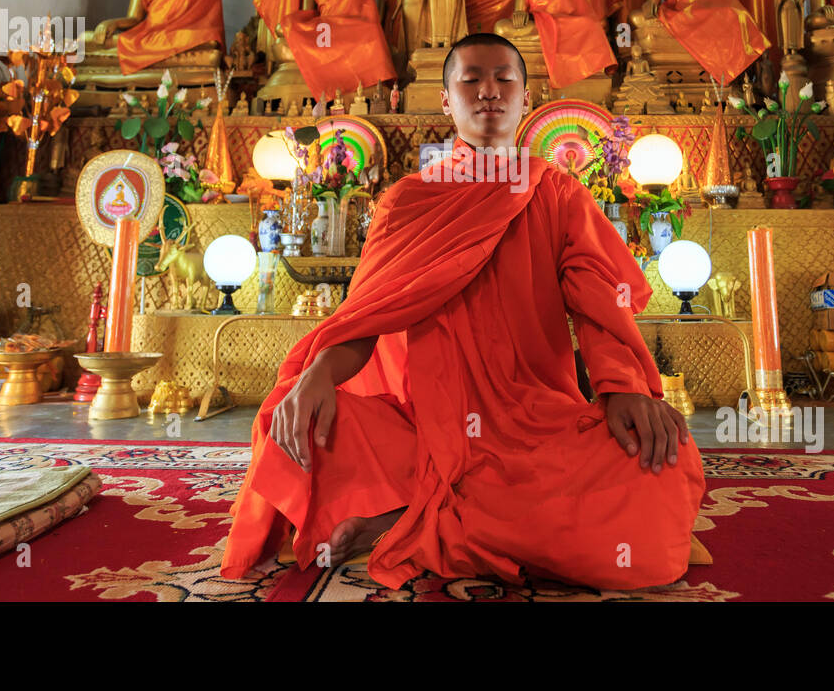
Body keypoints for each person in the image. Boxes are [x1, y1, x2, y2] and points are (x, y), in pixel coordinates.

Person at [222, 33, 706, 590]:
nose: (489, 92)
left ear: (528, 98)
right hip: (420, 424)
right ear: (447, 101)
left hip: (533, 424)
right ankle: (445, 521)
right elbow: (367, 315)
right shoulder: (409, 199)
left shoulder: (558, 194)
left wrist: (623, 387)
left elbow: (600, 299)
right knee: (292, 412)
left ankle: (406, 521)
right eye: (470, 79)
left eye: (505, 79)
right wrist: (316, 377)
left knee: (664, 460)